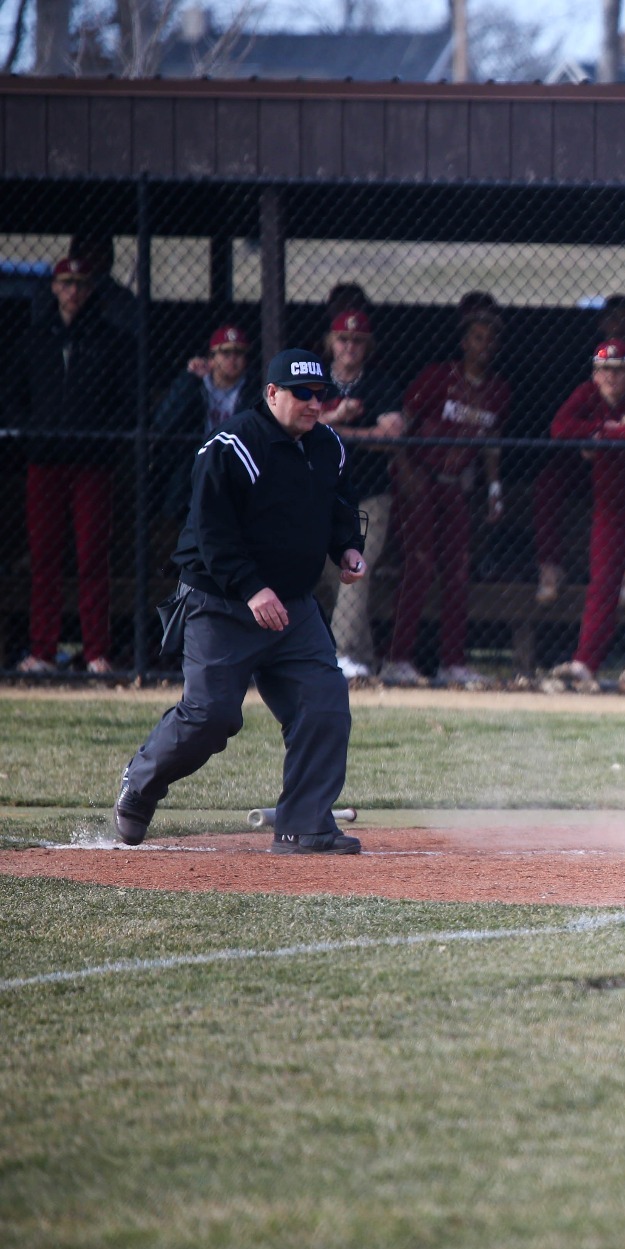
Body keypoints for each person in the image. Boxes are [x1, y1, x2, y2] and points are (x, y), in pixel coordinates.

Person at [112, 350, 366, 854]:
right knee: (211, 716)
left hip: (292, 607)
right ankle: (140, 782)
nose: (314, 403)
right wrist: (252, 587)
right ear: (271, 393)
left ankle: (304, 825)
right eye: (301, 393)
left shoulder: (328, 446)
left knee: (324, 703)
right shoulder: (231, 445)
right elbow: (212, 531)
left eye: (320, 394)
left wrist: (347, 548)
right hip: (221, 602)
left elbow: (339, 504)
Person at [11, 256, 133, 674]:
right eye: (66, 283)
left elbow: (125, 402)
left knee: (92, 557)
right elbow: (14, 396)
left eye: (80, 284)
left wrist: (101, 436)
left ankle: (95, 651)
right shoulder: (34, 339)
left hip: (91, 463)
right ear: (54, 287)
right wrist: (33, 433)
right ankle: (43, 651)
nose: (73, 291)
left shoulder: (109, 339)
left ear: (90, 289)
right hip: (45, 461)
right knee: (44, 556)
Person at [382, 303, 509, 687]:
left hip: (454, 484)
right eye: (478, 338)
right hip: (420, 478)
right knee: (419, 564)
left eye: (490, 340)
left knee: (458, 569)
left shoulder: (498, 391)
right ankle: (397, 658)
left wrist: (494, 489)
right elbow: (402, 426)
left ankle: (452, 662)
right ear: (464, 342)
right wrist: (404, 471)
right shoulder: (437, 377)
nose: (484, 346)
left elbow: (491, 443)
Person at [544, 340, 625, 692]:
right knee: (603, 586)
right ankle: (585, 663)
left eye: (619, 370)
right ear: (594, 374)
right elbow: (560, 427)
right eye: (604, 370)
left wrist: (598, 434)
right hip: (610, 509)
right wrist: (612, 429)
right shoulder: (587, 394)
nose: (611, 378)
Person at [534, 295, 625, 605]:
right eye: (614, 318)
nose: (620, 325)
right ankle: (550, 569)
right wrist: (596, 433)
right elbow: (560, 425)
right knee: (548, 482)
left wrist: (610, 437)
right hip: (584, 459)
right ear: (601, 323)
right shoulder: (581, 366)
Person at [316, 309, 405, 680]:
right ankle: (362, 660)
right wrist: (336, 418)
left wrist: (338, 433)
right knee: (328, 576)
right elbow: (290, 425)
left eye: (357, 341)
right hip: (321, 496)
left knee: (354, 569)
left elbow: (392, 435)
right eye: (343, 339)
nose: (349, 347)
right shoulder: (315, 381)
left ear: (368, 346)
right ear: (330, 343)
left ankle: (341, 655)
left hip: (369, 496)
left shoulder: (380, 384)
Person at [150, 323, 253, 532]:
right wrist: (188, 380)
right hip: (196, 461)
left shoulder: (253, 389)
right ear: (211, 358)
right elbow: (164, 421)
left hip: (234, 461)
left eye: (239, 353)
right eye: (225, 353)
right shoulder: (197, 385)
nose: (232, 359)